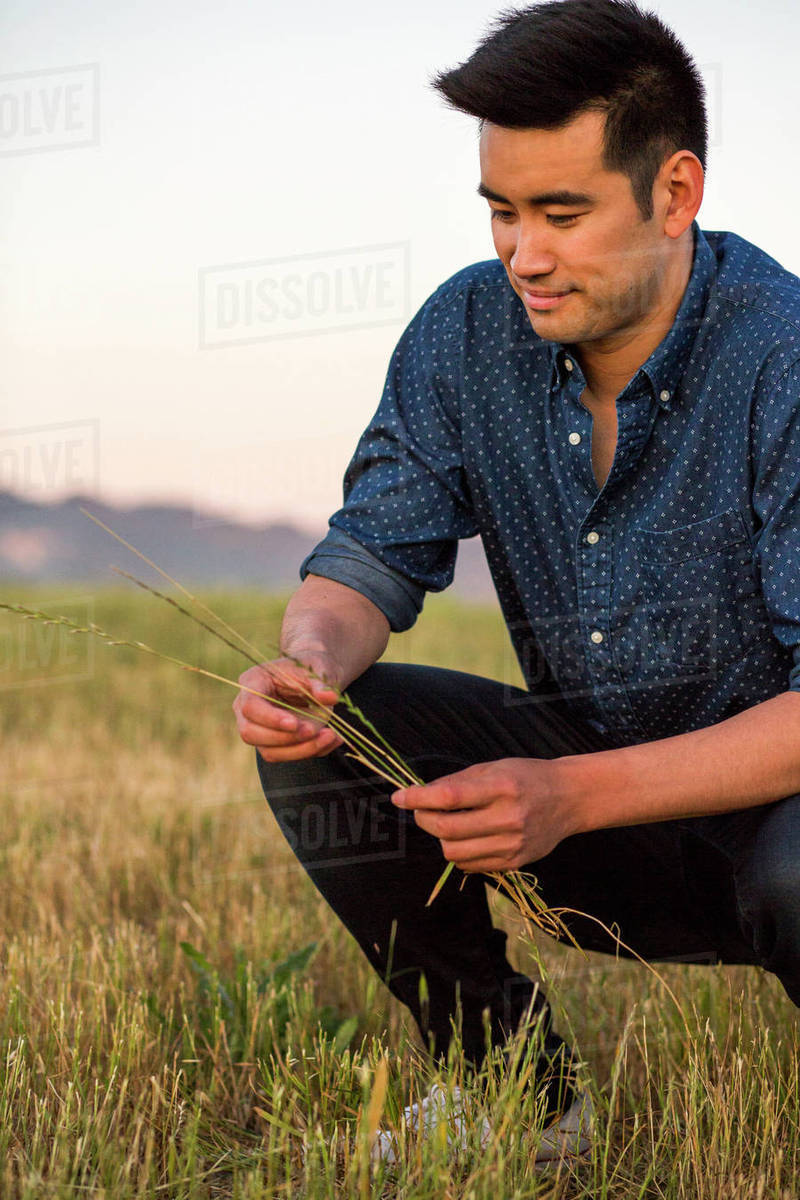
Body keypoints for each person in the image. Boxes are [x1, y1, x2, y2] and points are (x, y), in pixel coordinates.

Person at [233, 0, 800, 1166]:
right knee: (341, 729)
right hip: (601, 815)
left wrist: (570, 795)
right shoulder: (464, 332)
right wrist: (310, 659)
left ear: (674, 192)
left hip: (768, 825)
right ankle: (521, 1104)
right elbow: (368, 552)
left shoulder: (782, 356)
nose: (521, 254)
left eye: (560, 213)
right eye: (500, 210)